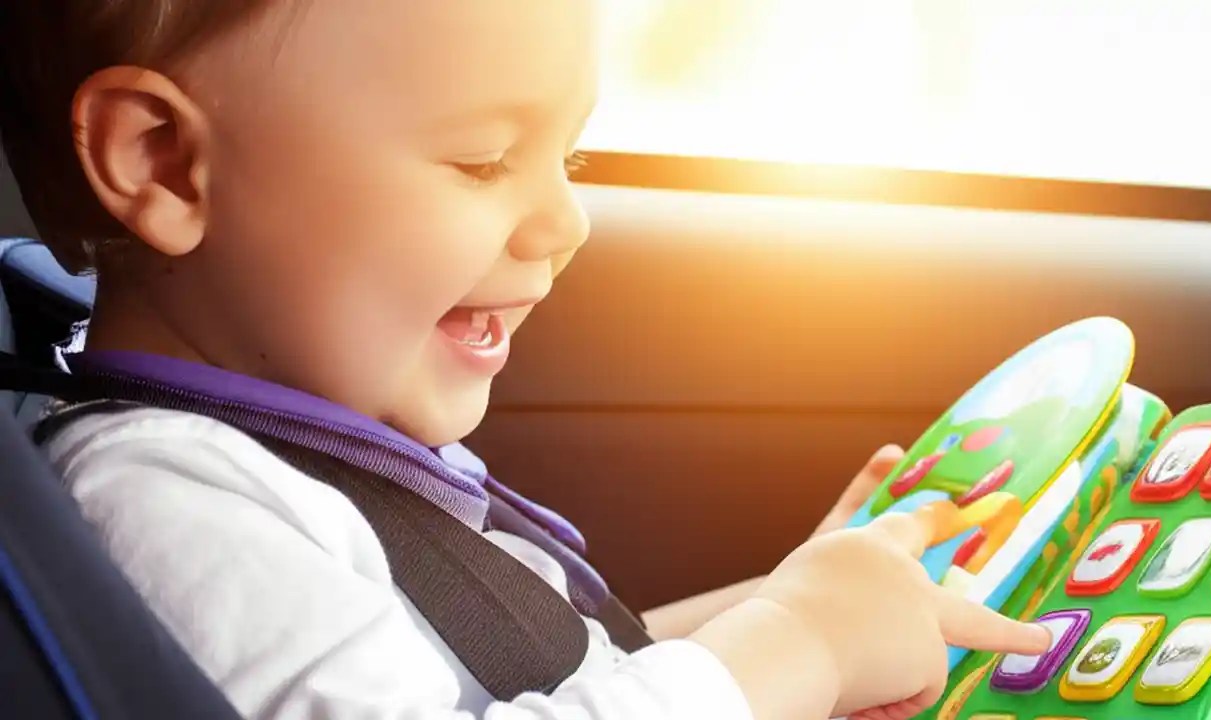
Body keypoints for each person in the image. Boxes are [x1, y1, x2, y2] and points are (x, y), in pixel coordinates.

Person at [0, 2, 1050, 718]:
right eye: (484, 160)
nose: (567, 221)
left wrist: (788, 606)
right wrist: (798, 643)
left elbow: (530, 667)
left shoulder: (286, 450)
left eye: (571, 156)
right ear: (164, 162)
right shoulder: (172, 503)